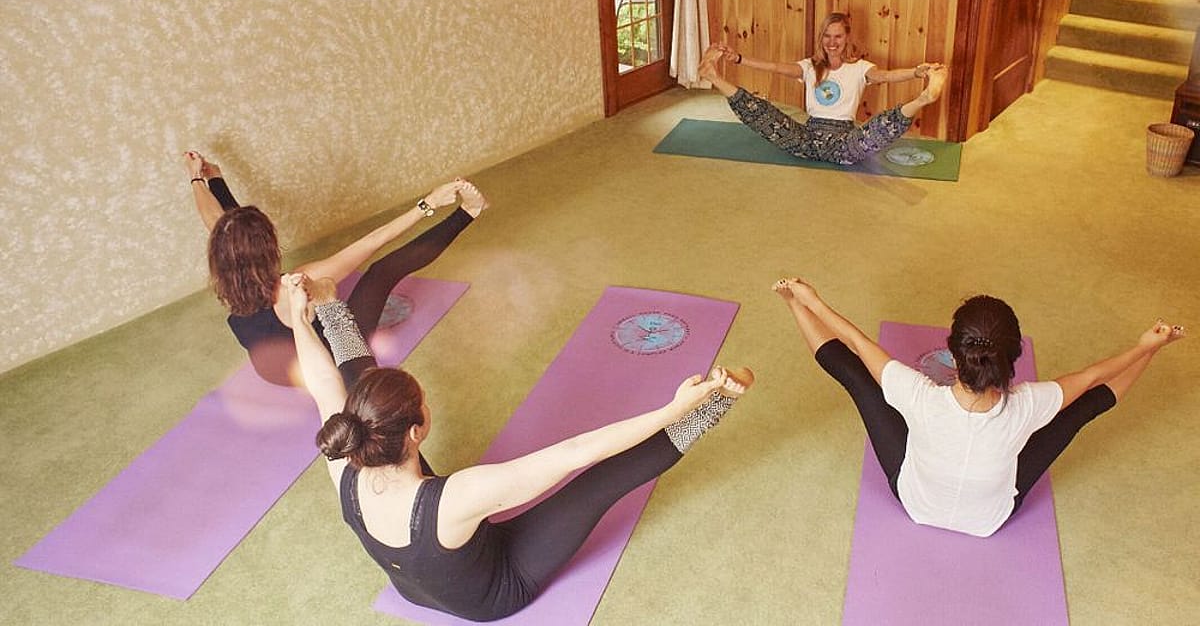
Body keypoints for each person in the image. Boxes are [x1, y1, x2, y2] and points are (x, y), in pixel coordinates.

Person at [282, 273, 755, 622]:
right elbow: (577, 452)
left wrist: (304, 320)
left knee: (362, 387)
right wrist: (676, 408)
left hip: (411, 587)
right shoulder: (461, 495)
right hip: (492, 594)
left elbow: (326, 385)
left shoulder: (344, 457)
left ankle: (333, 310)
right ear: (416, 430)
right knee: (598, 485)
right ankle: (717, 404)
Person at [772, 276, 1185, 537]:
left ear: (954, 351)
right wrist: (1146, 347)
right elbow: (1096, 375)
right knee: (1079, 411)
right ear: (1013, 357)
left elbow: (857, 344)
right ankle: (1156, 353)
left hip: (917, 502)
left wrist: (807, 300)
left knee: (859, 381)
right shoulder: (1030, 404)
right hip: (990, 520)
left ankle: (788, 303)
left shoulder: (917, 395)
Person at [183, 150, 487, 387]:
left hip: (274, 370)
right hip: (328, 367)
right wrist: (429, 203)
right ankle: (470, 212)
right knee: (382, 272)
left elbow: (220, 222)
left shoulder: (228, 266)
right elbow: (373, 241)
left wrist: (205, 178)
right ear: (270, 246)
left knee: (240, 240)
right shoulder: (297, 281)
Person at [700, 12, 946, 165]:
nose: (832, 43)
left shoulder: (860, 68)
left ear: (847, 38)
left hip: (846, 144)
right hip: (806, 140)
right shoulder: (809, 67)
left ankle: (924, 98)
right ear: (821, 38)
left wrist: (917, 72)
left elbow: (886, 76)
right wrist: (738, 58)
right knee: (763, 113)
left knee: (878, 130)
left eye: (837, 37)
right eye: (827, 36)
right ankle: (714, 77)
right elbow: (775, 67)